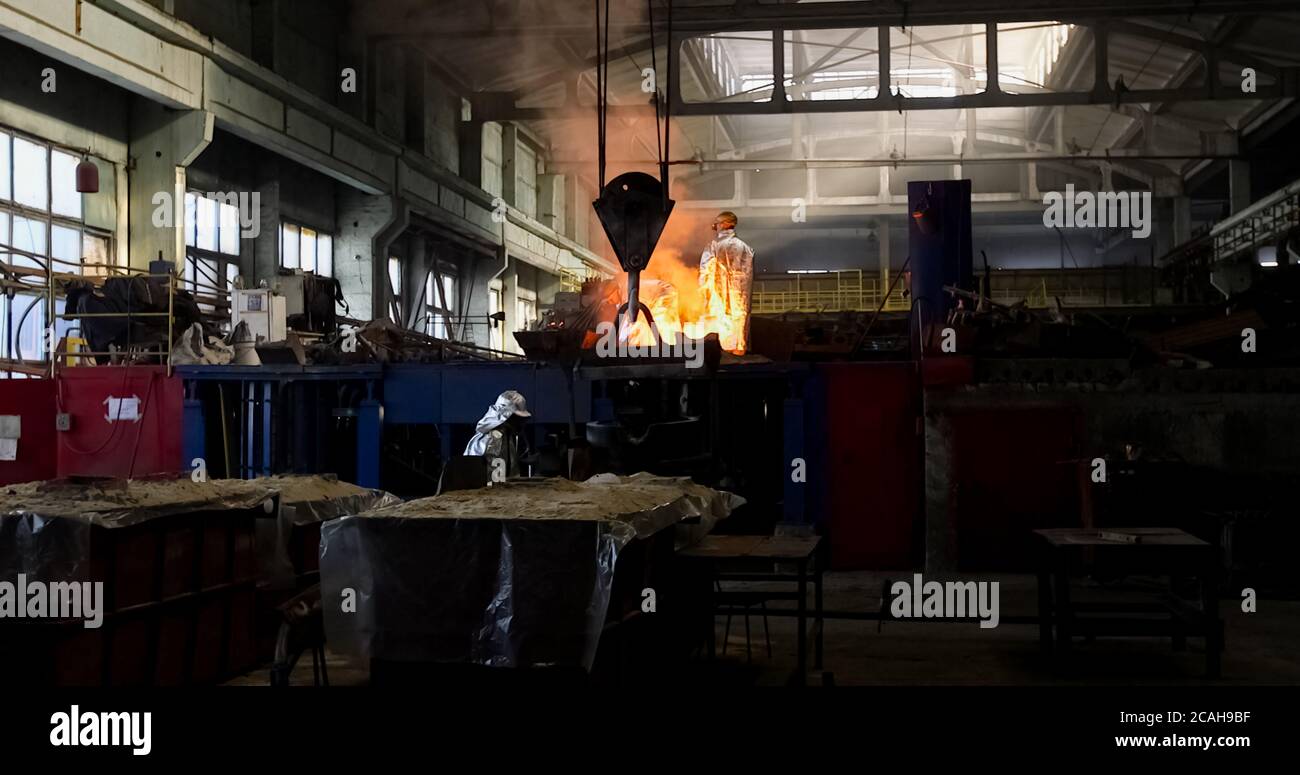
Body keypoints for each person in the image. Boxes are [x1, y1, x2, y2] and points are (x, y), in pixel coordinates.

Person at [698, 210, 755, 354]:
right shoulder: (747, 248)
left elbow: (705, 272)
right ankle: (740, 349)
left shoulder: (713, 246)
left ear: (724, 224)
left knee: (719, 321)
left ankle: (722, 352)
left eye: (716, 224)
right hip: (741, 298)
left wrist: (702, 294)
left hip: (718, 296)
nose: (715, 227)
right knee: (740, 320)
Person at [463, 390, 533, 477]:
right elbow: (495, 480)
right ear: (507, 416)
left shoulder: (503, 435)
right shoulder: (495, 438)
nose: (521, 422)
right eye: (517, 418)